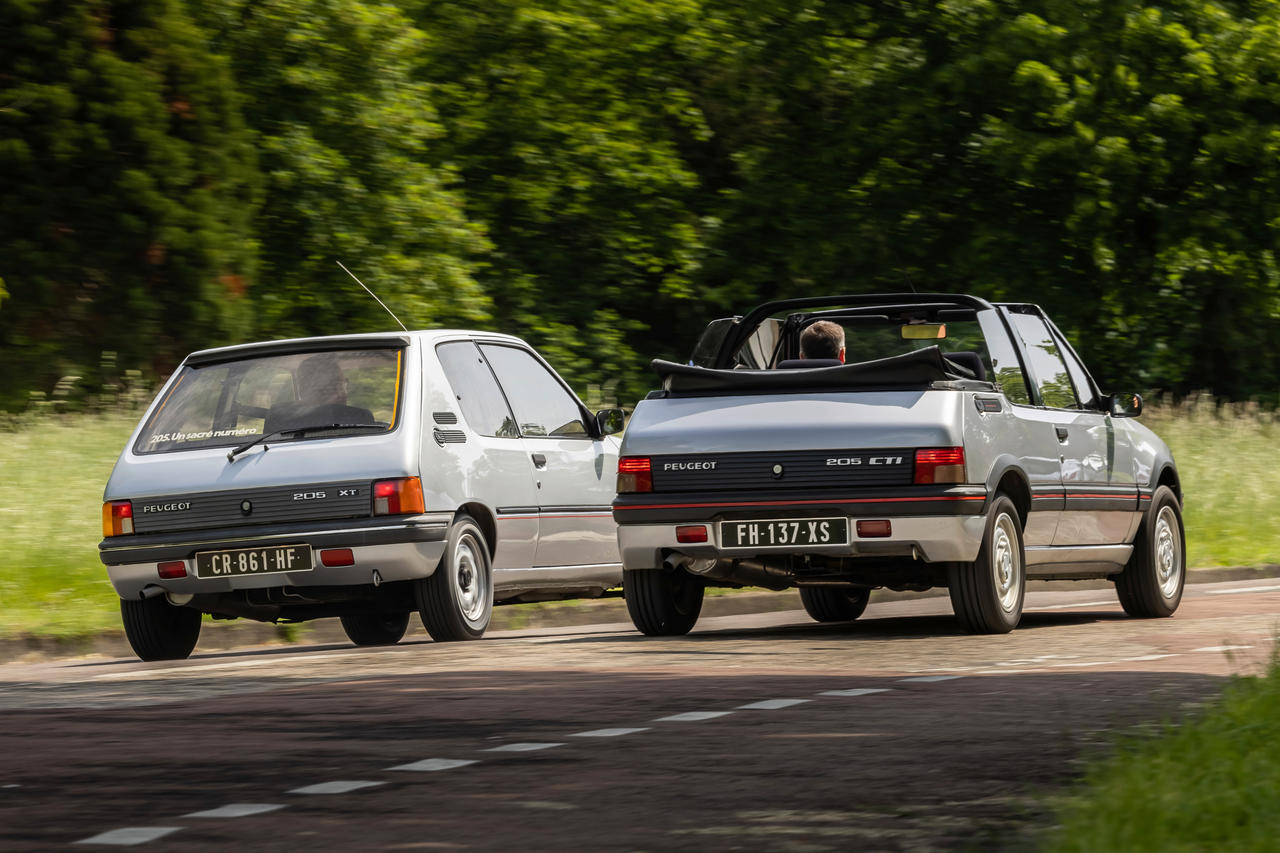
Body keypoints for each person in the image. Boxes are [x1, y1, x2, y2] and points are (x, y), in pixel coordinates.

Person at [264, 355, 375, 433]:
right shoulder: (361, 418)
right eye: (339, 384)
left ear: (301, 388)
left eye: (343, 384)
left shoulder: (277, 416)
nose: (343, 393)